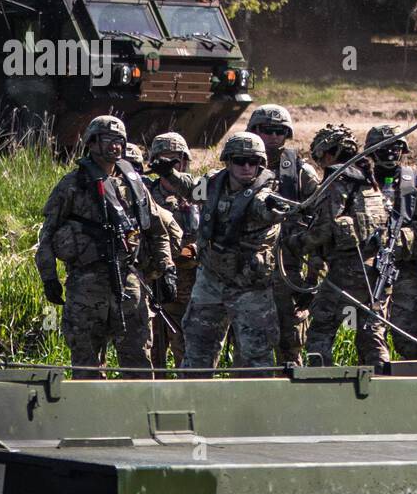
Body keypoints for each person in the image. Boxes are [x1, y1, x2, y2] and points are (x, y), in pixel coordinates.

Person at [35, 115, 174, 378]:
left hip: (130, 284)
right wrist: (49, 277)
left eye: (120, 140)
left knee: (138, 364)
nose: (116, 146)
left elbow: (157, 229)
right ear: (92, 142)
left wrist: (167, 269)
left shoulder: (134, 185)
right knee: (86, 366)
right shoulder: (72, 186)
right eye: (108, 140)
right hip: (86, 286)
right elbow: (47, 235)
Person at [155, 132, 290, 371]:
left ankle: (253, 408)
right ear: (228, 160)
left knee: (256, 357)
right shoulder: (214, 184)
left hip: (250, 285)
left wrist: (278, 208)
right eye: (240, 160)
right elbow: (192, 188)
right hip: (211, 280)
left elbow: (267, 207)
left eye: (254, 161)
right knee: (196, 351)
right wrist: (169, 174)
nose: (247, 167)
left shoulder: (266, 192)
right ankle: (193, 403)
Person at [290, 124, 391, 366]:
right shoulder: (370, 179)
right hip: (377, 270)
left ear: (329, 152)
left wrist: (295, 243)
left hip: (347, 271)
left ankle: (321, 387)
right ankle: (385, 384)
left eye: (319, 157)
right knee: (371, 336)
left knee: (320, 333)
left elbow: (325, 228)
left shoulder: (337, 179)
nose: (319, 163)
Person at [364, 124, 417, 359]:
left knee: (411, 343)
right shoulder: (359, 186)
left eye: (395, 148)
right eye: (383, 149)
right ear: (371, 152)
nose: (390, 154)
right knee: (370, 340)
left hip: (406, 276)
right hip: (366, 275)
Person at [247, 104, 322, 366]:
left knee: (290, 345)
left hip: (287, 272)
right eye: (268, 130)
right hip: (247, 272)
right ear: (255, 130)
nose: (275, 137)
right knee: (250, 344)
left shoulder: (300, 172)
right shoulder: (241, 167)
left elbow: (320, 226)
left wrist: (312, 279)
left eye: (281, 131)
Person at [144, 132, 200, 368]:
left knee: (185, 352)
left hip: (188, 288)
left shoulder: (200, 190)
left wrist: (192, 251)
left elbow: (213, 228)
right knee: (152, 354)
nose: (171, 166)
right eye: (163, 160)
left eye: (176, 160)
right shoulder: (144, 192)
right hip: (152, 284)